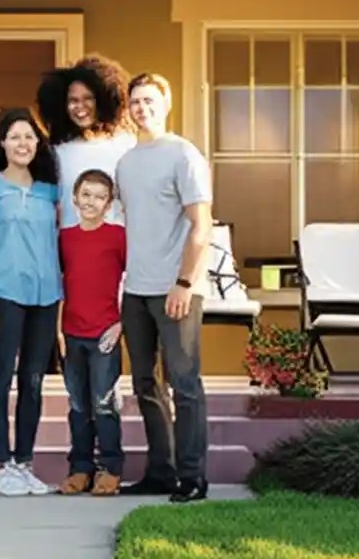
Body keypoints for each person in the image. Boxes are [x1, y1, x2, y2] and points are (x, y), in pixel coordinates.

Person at [113, 73, 214, 503]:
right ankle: (161, 472)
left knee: (185, 384)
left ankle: (193, 478)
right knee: (144, 384)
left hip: (177, 289)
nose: (142, 108)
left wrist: (184, 283)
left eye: (149, 100)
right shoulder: (127, 162)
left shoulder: (184, 155)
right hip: (135, 290)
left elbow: (201, 226)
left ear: (166, 103)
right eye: (135, 101)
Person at [0, 108, 62, 497]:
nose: (23, 143)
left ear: (37, 144)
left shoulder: (51, 192)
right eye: (15, 136)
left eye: (29, 137)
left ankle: (25, 463)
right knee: (2, 377)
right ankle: (3, 462)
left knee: (34, 382)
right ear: (3, 143)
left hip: (47, 295)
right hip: (6, 293)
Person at [0, 54, 135, 227]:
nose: (80, 107)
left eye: (87, 99)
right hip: (67, 245)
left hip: (116, 245)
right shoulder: (57, 151)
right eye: (73, 100)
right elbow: (22, 184)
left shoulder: (126, 146)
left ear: (102, 100)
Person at [57, 169, 127, 496]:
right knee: (78, 407)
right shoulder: (65, 239)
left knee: (103, 404)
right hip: (71, 334)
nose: (91, 202)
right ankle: (80, 468)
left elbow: (135, 281)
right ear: (75, 197)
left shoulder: (117, 237)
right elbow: (58, 285)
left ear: (109, 203)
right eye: (86, 195)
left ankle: (110, 469)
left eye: (99, 197)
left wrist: (121, 323)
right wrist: (58, 331)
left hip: (105, 335)